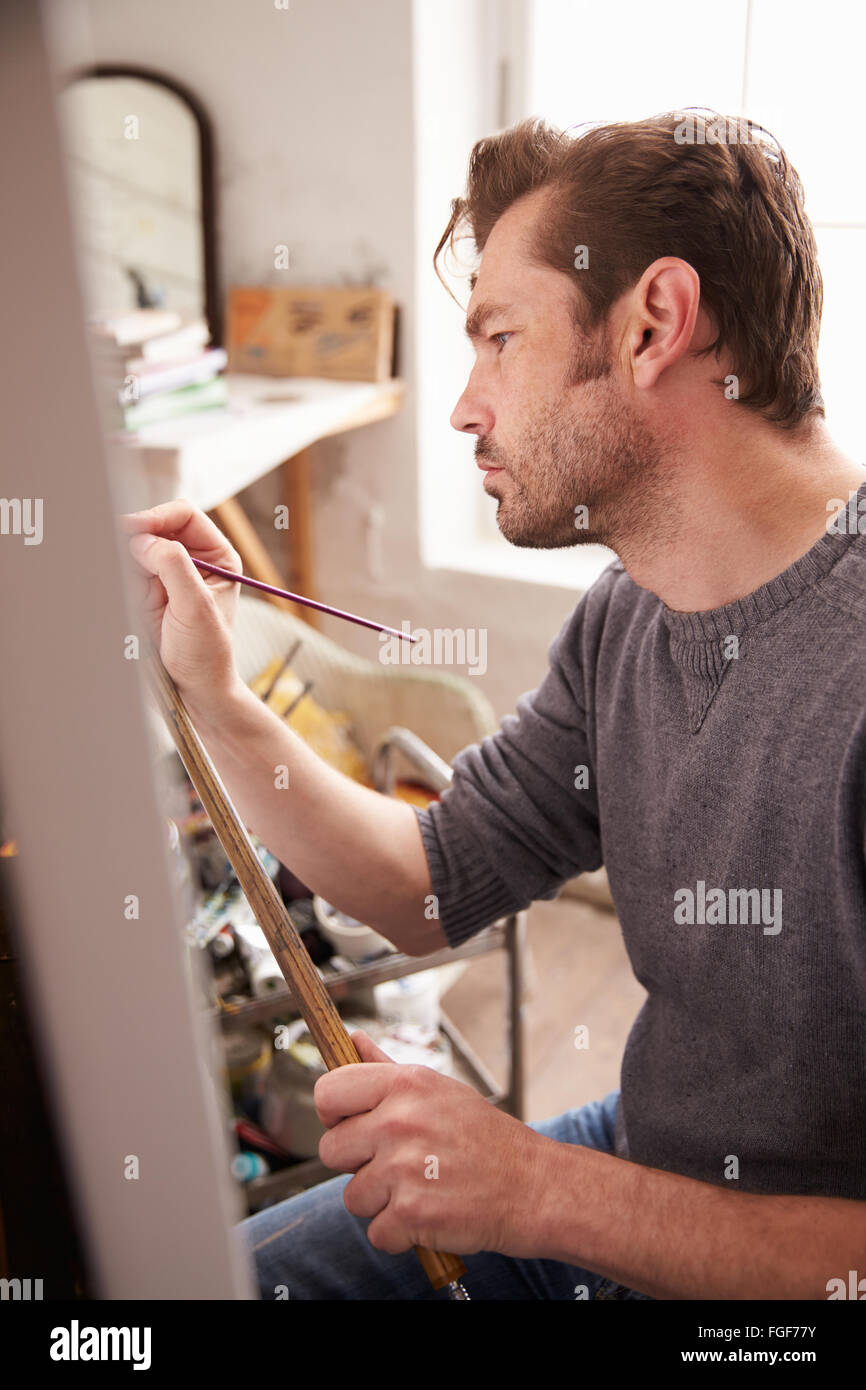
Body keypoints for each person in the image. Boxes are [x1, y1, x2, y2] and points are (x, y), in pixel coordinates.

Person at [122, 110, 866, 1301]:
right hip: (650, 1165)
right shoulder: (627, 616)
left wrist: (534, 1190)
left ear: (651, 325)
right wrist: (215, 693)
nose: (465, 407)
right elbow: (432, 880)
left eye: (499, 339)